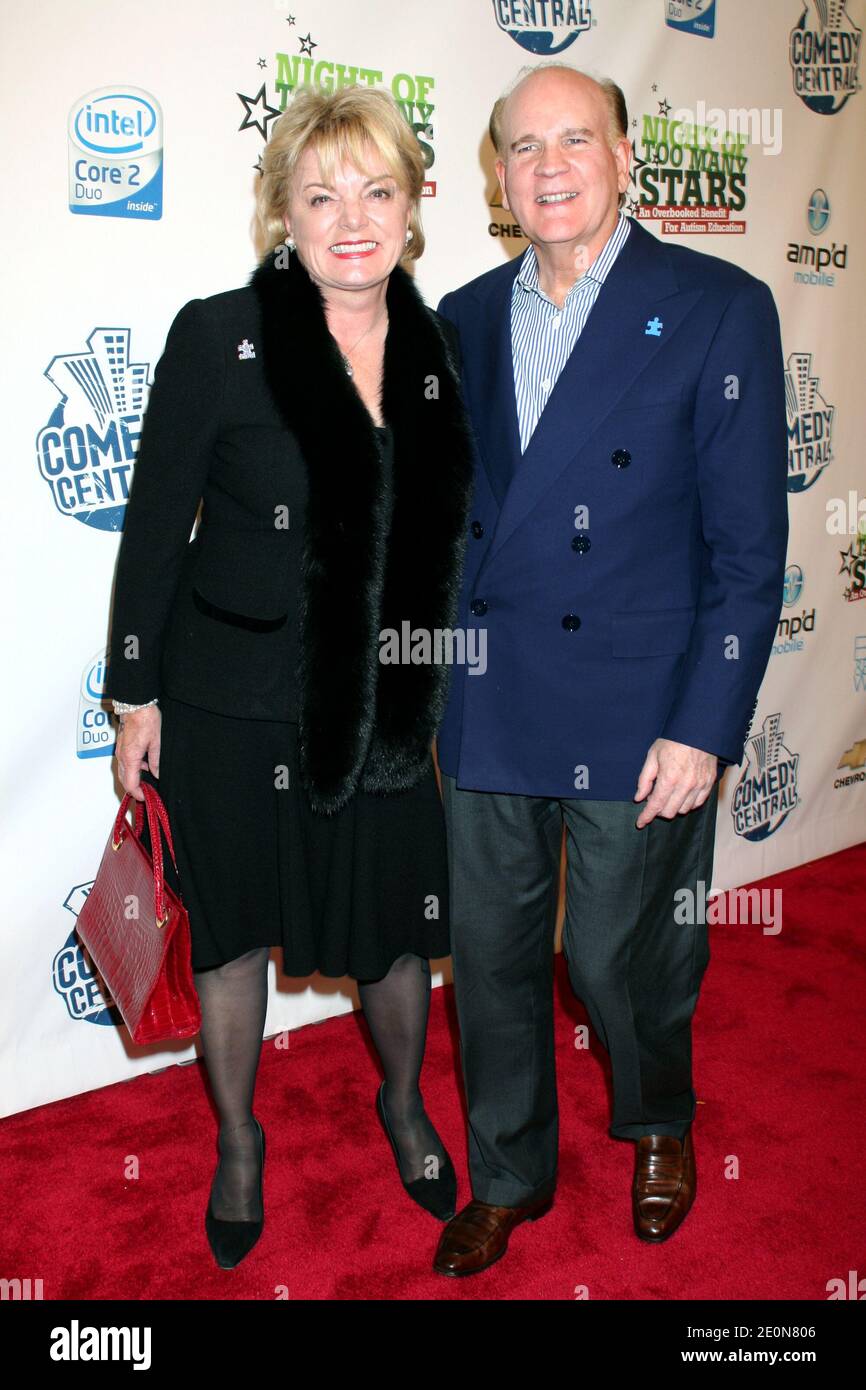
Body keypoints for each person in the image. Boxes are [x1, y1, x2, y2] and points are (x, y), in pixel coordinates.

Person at [104, 83, 475, 1270]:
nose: (350, 217)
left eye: (375, 190)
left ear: (413, 208)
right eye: (321, 195)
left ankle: (404, 1104)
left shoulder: (443, 346)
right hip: (230, 701)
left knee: (394, 935)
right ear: (283, 212)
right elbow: (156, 525)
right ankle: (237, 1139)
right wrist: (134, 692)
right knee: (228, 940)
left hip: (383, 707)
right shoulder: (220, 333)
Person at [432, 63, 789, 1276]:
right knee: (484, 955)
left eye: (573, 140)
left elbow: (748, 552)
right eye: (522, 147)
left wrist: (705, 722)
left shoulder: (714, 305)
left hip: (643, 707)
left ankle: (654, 1121)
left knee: (616, 956)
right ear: (495, 173)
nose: (547, 167)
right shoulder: (463, 317)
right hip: (491, 695)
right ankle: (508, 1172)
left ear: (625, 156)